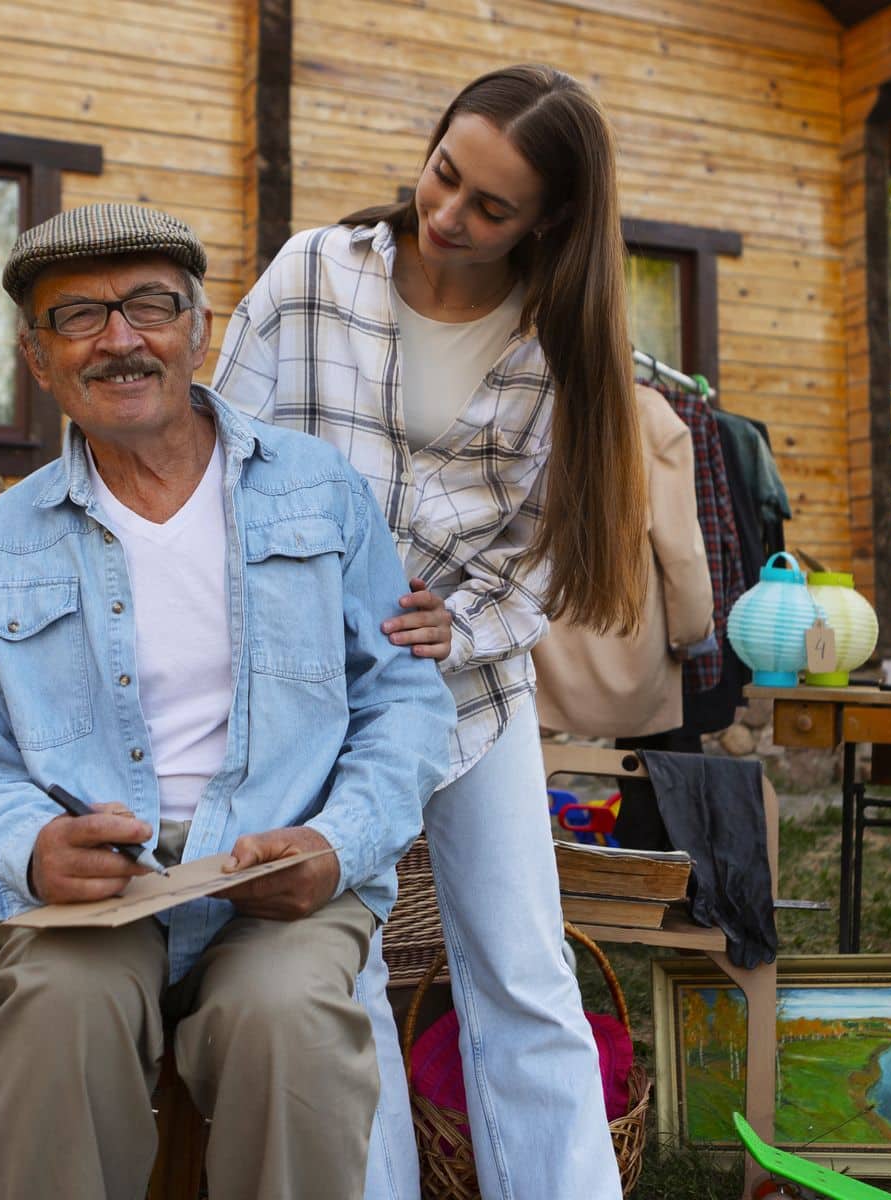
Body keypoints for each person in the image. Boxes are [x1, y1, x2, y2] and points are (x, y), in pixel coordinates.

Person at [0, 203, 456, 1200]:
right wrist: (31, 846)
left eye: (150, 305)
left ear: (198, 327)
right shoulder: (8, 536)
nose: (120, 340)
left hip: (281, 880)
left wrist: (337, 840)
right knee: (53, 1020)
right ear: (40, 360)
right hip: (100, 901)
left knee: (287, 1025)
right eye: (78, 316)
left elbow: (407, 703)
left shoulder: (317, 491)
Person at [212, 64, 649, 1200]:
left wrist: (462, 625)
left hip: (471, 690)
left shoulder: (567, 344)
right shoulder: (313, 273)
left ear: (548, 220)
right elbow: (222, 462)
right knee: (338, 969)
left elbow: (561, 545)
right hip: (312, 690)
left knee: (522, 972)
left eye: (490, 208)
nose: (447, 214)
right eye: (443, 173)